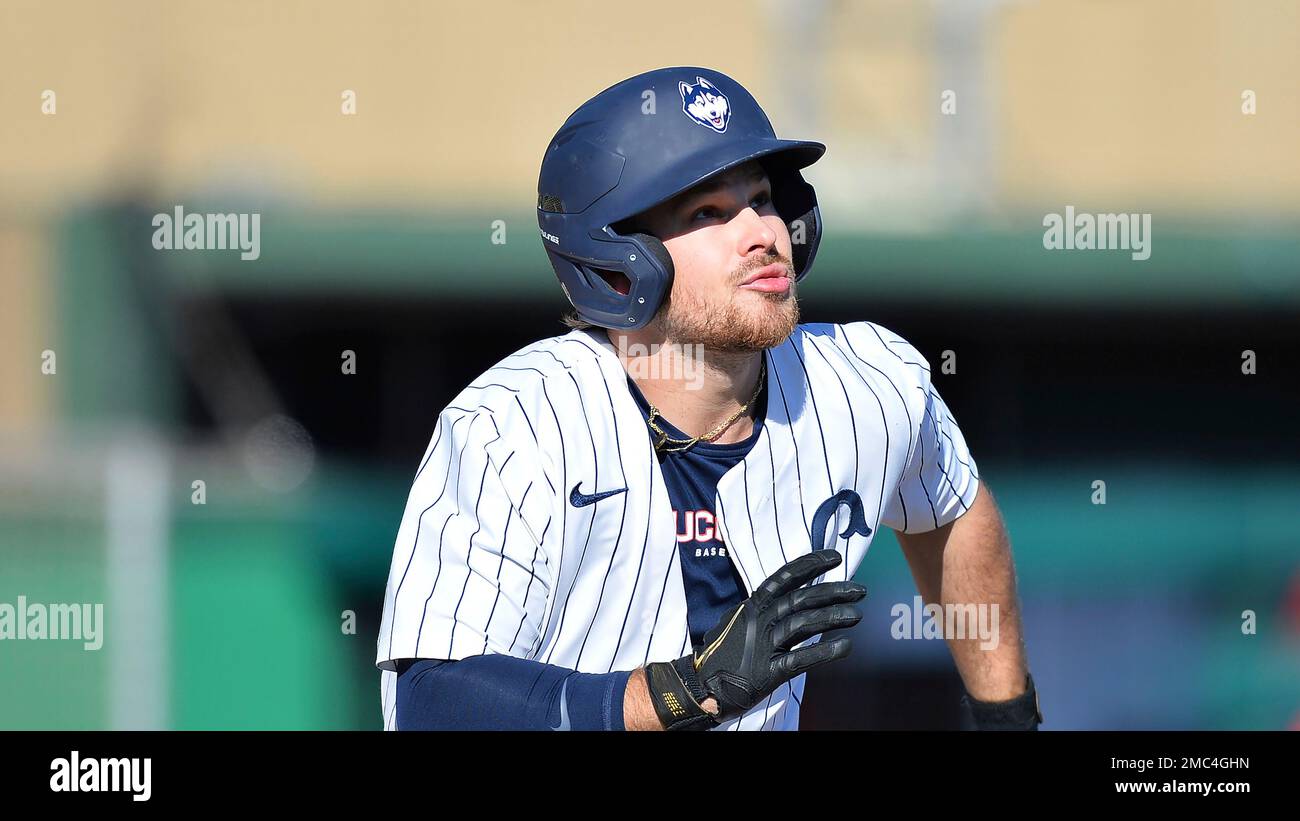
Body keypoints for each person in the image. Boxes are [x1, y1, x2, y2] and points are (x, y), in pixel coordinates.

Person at [375, 67, 1041, 731]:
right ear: (616, 264)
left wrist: (1006, 714)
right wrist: (679, 693)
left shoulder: (869, 380)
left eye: (762, 199)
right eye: (709, 213)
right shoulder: (514, 426)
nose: (763, 234)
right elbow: (430, 702)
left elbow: (953, 514)